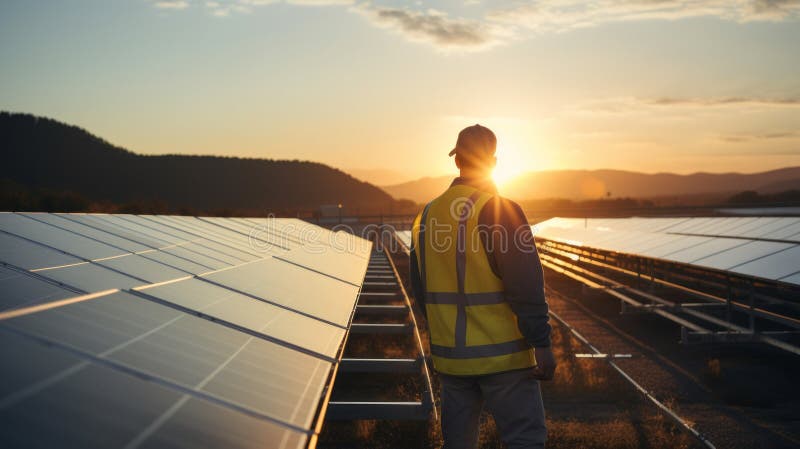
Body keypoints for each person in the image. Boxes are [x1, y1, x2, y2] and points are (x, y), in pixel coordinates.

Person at [409, 124, 555, 449]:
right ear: (494, 162)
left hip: (452, 361)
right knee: (525, 441)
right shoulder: (499, 210)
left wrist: (447, 333)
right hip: (506, 360)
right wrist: (541, 344)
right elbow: (526, 286)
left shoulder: (427, 215)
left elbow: (420, 290)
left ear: (456, 160)